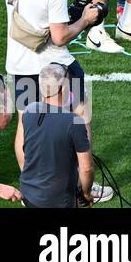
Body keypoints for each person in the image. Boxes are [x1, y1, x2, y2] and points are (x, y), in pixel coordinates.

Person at [5, 0, 102, 125]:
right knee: (80, 115)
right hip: (50, 65)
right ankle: (83, 157)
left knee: (26, 123)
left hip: (19, 64)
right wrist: (85, 19)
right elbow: (59, 38)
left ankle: (29, 158)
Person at [15, 64, 101, 208]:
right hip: (59, 201)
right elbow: (86, 168)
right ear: (64, 88)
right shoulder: (74, 122)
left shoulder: (29, 111)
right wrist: (85, 194)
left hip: (29, 194)